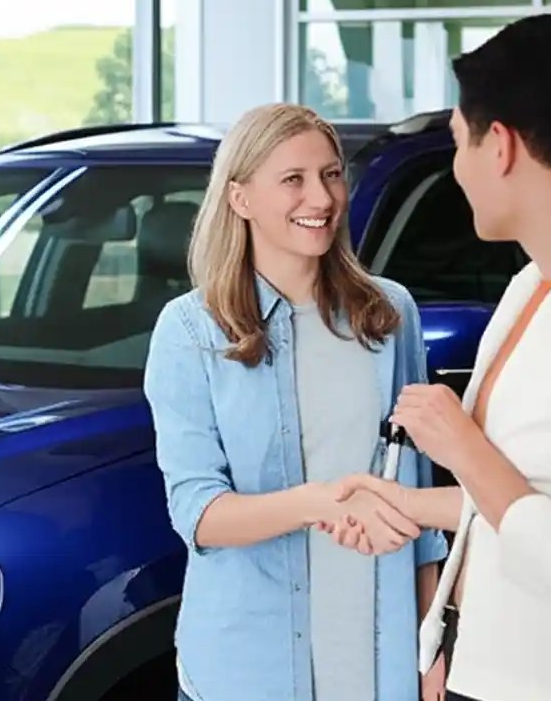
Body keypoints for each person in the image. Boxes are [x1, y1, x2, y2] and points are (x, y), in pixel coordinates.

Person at [328, 14, 551, 701]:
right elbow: (528, 506)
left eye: (459, 143)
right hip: (483, 675)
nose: (458, 168)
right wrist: (408, 505)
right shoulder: (532, 284)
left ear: (502, 146)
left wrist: (461, 443)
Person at [142, 101, 449, 701]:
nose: (322, 198)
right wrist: (315, 504)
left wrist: (429, 641)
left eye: (331, 174)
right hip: (246, 667)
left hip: (375, 657)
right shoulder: (190, 331)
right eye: (294, 180)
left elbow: (417, 496)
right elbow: (199, 514)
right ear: (240, 198)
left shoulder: (389, 315)